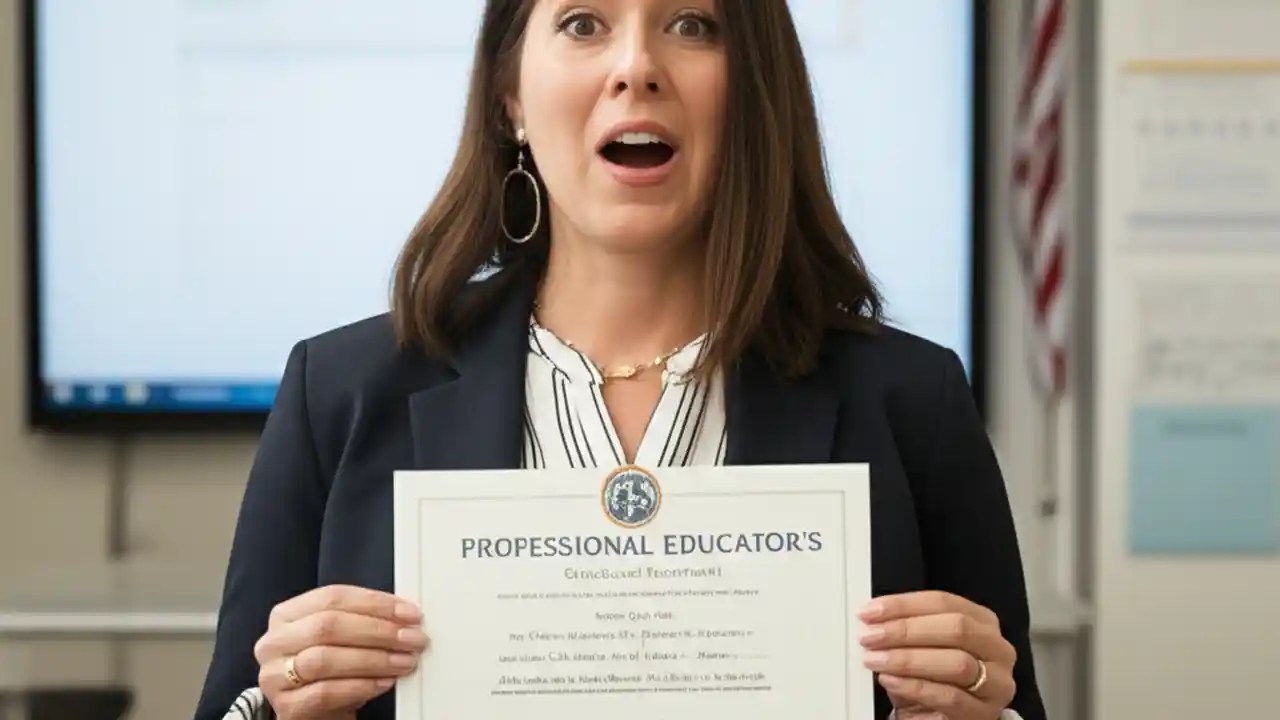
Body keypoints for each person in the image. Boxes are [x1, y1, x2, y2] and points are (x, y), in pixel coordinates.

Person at [194, 1, 1046, 718]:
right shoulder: (339, 392)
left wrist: (981, 709)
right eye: (583, 23)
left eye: (691, 25)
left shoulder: (912, 398)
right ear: (509, 99)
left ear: (753, 91)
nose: (636, 67)